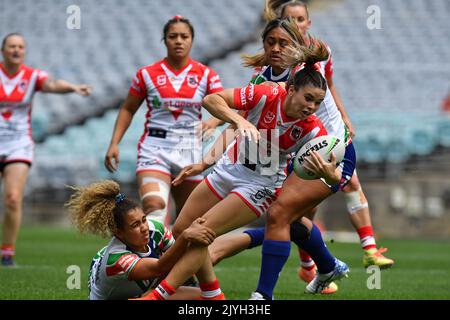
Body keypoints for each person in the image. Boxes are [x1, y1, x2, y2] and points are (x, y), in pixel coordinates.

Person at [133, 38, 349, 300]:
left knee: (202, 231)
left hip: (260, 185)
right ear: (291, 89)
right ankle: (212, 295)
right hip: (228, 170)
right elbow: (212, 100)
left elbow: (335, 174)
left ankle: (157, 296)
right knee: (181, 230)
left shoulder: (313, 129)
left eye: (318, 102)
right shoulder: (267, 93)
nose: (312, 107)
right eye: (308, 98)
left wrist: (328, 174)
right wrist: (238, 120)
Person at [266, 0, 394, 275]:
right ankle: (310, 265)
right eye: (290, 20)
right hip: (308, 141)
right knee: (300, 212)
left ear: (308, 23)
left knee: (349, 183)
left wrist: (345, 116)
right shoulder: (278, 64)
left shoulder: (319, 53)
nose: (296, 24)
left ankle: (367, 250)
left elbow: (330, 85)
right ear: (281, 23)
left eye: (300, 19)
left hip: (333, 135)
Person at [104, 15, 223, 227]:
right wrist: (114, 143)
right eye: (172, 36)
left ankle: (179, 259)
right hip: (154, 147)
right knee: (155, 207)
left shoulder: (206, 74)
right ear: (164, 40)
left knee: (191, 218)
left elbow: (224, 105)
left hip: (189, 149)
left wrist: (213, 122)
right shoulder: (146, 74)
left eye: (184, 36)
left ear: (191, 40)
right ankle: (156, 258)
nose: (178, 41)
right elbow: (128, 108)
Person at [0, 33, 92, 266]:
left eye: (21, 46)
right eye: (12, 46)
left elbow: (51, 84)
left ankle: (7, 253)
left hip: (18, 144)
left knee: (12, 198)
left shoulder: (31, 76)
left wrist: (72, 87)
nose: (16, 50)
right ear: (3, 50)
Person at [65, 180, 216, 300]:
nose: (144, 227)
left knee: (206, 297)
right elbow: (159, 267)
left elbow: (176, 259)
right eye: (135, 225)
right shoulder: (116, 259)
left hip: (142, 293)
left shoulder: (154, 228)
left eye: (143, 219)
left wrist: (155, 289)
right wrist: (184, 237)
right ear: (119, 232)